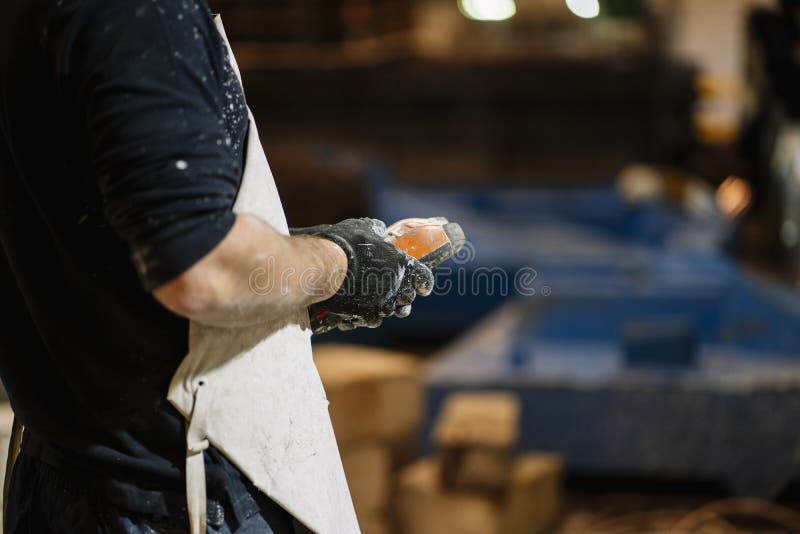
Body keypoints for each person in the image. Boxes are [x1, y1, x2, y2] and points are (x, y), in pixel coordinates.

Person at [0, 0, 433, 532]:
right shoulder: (143, 14)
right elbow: (201, 268)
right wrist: (345, 262)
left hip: (63, 477)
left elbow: (98, 237)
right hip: (169, 496)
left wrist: (285, 276)